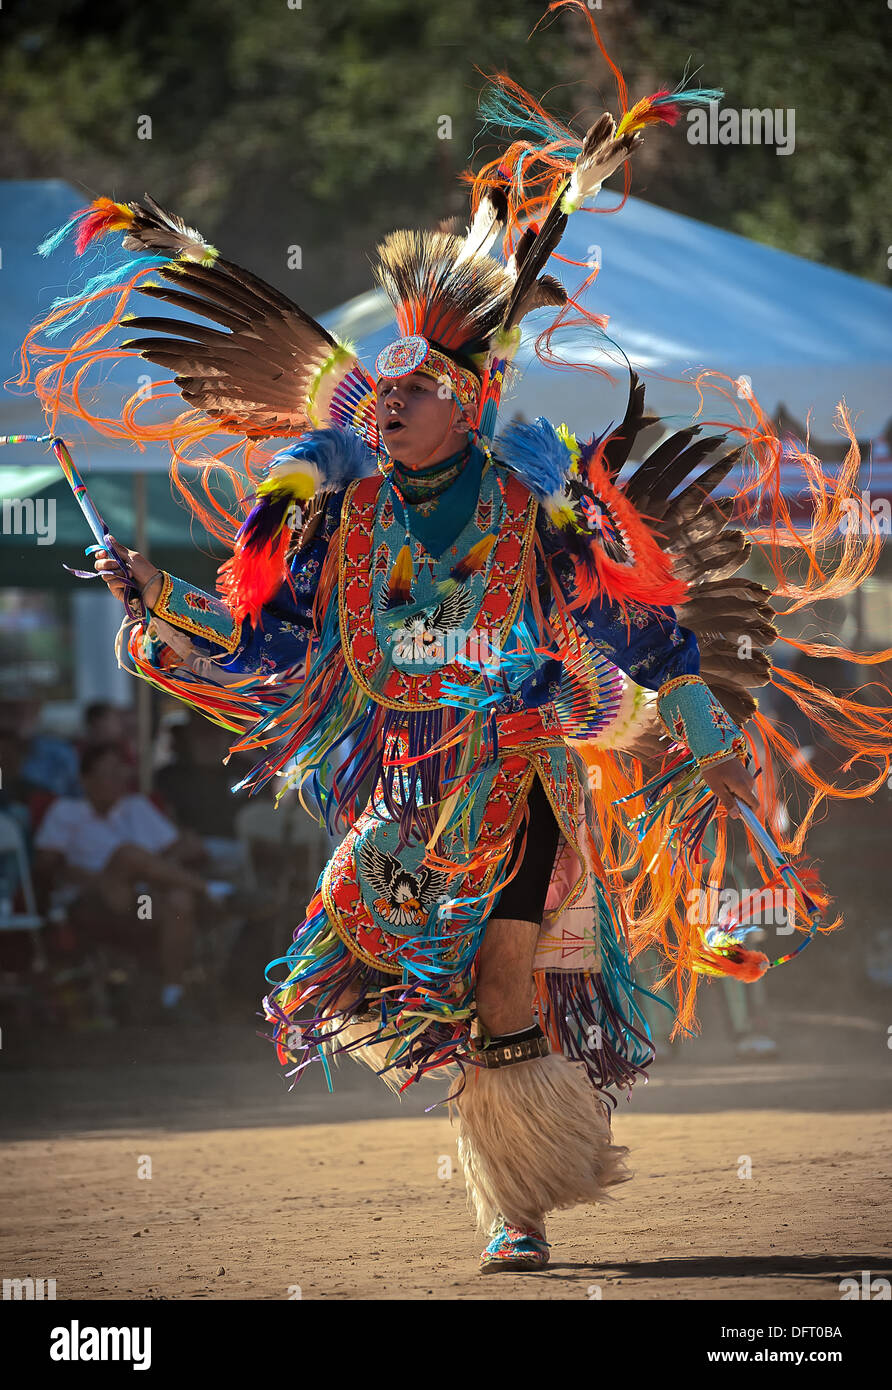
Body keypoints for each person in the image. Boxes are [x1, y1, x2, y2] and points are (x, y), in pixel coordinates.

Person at [20, 8, 891, 1272]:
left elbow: (637, 631)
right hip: (401, 790)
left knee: (503, 976)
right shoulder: (340, 512)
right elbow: (272, 651)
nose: (388, 397)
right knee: (388, 981)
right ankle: (515, 1132)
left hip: (518, 775)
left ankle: (514, 1207)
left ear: (471, 398)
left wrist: (699, 732)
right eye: (380, 383)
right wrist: (153, 595)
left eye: (416, 386)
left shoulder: (534, 503)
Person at [34, 743, 215, 1021]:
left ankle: (171, 996)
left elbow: (182, 846)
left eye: (121, 772)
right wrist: (82, 873)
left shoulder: (136, 807)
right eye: (109, 773)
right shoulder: (66, 811)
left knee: (178, 900)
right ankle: (214, 891)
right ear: (86, 779)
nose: (119, 780)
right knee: (127, 855)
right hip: (91, 903)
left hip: (140, 906)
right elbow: (46, 866)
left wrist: (158, 864)